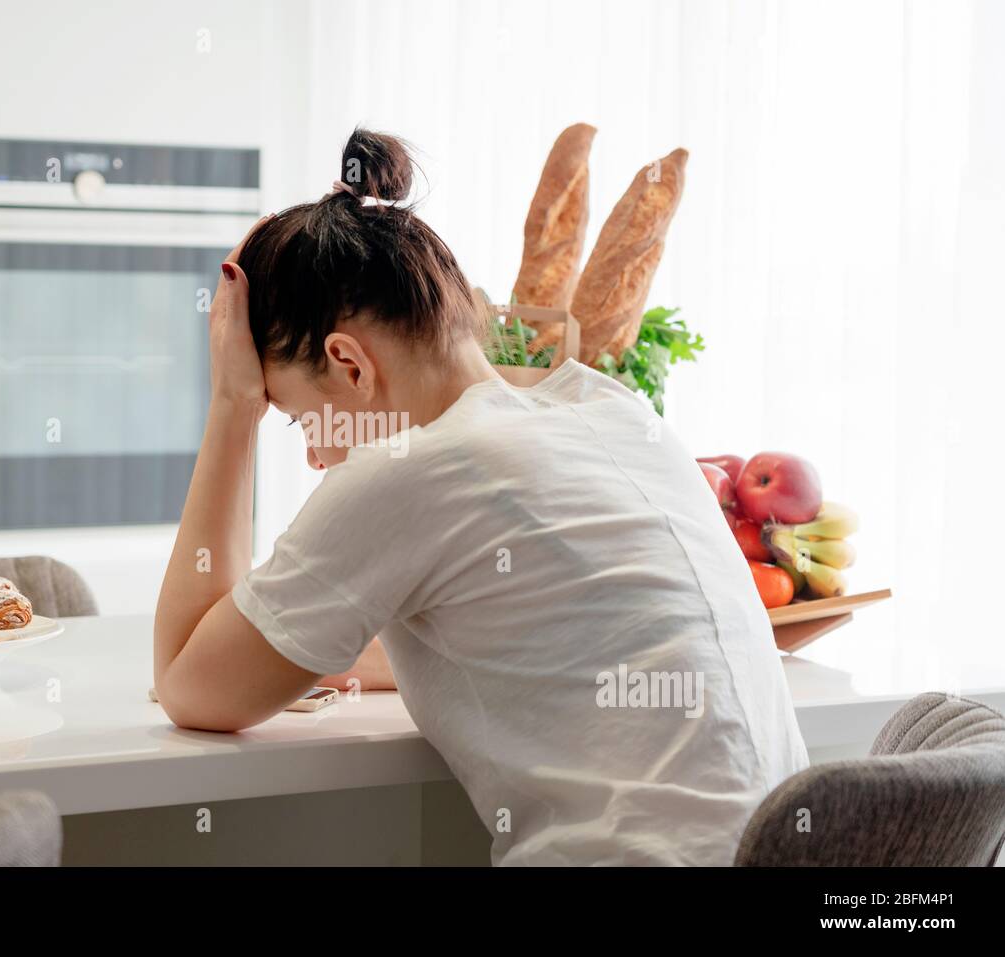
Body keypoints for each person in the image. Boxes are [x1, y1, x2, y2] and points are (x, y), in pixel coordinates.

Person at [153, 129, 808, 865]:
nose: (313, 453)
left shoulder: (408, 469)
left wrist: (233, 403)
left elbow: (186, 682)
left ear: (348, 363)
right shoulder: (613, 409)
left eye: (302, 417)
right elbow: (532, 637)